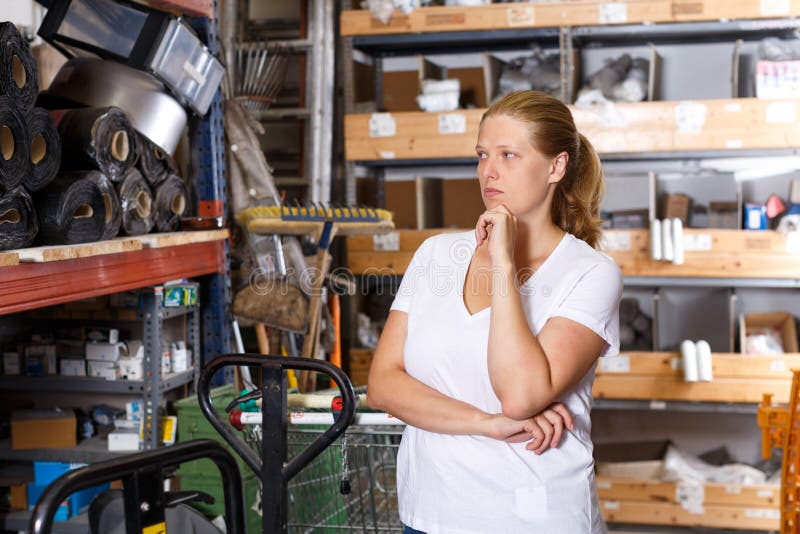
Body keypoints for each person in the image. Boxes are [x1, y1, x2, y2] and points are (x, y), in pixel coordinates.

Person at [367, 90, 623, 534]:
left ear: (556, 167)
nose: (489, 171)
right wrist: (490, 424)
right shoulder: (437, 255)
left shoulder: (590, 273)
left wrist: (502, 261)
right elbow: (384, 385)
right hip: (428, 514)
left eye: (508, 155)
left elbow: (521, 395)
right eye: (482, 155)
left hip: (532, 518)